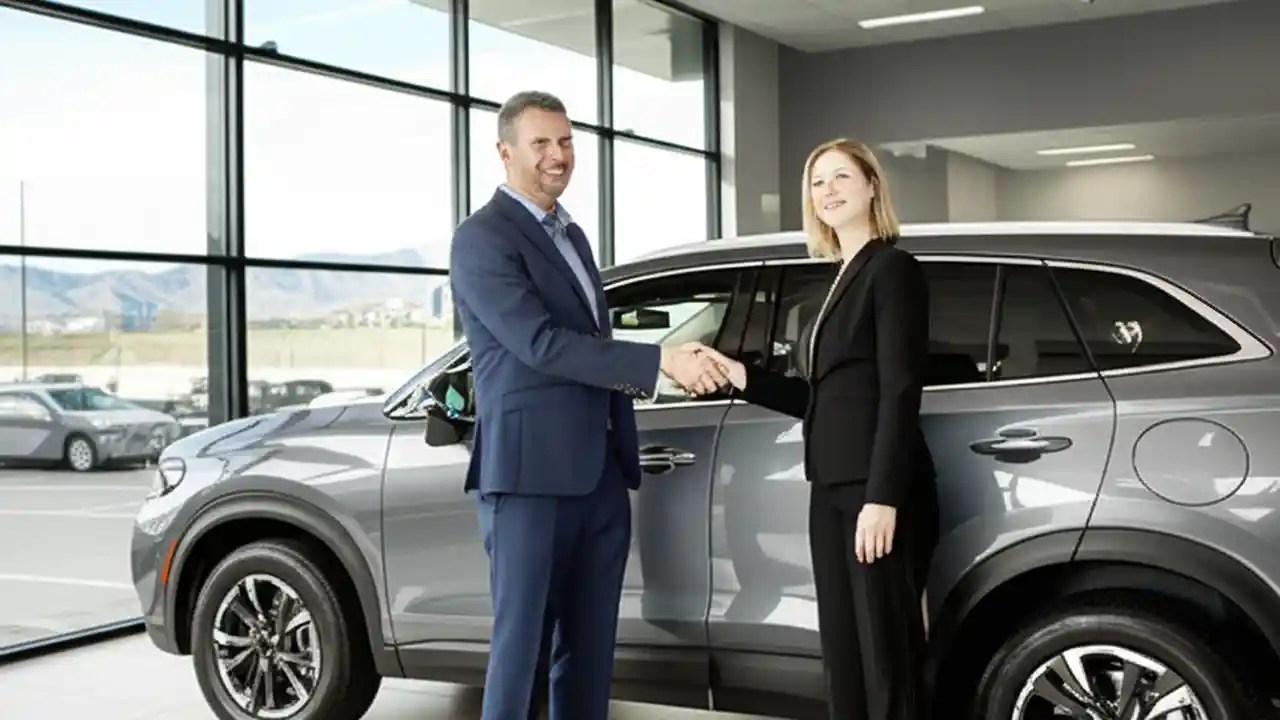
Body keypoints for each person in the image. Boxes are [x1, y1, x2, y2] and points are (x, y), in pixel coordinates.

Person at [448, 90, 727, 720]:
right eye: (541, 142)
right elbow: (539, 344)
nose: (558, 155)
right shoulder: (482, 238)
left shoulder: (570, 233)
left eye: (566, 142)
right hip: (528, 480)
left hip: (600, 471)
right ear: (505, 151)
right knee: (522, 654)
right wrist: (659, 362)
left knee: (590, 651)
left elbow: (588, 341)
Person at [693, 138, 939, 720]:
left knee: (886, 653)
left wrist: (883, 498)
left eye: (841, 178)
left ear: (872, 186)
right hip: (832, 486)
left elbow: (901, 390)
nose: (827, 191)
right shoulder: (839, 277)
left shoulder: (892, 269)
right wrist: (741, 377)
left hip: (874, 491)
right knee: (845, 651)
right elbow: (825, 400)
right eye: (817, 181)